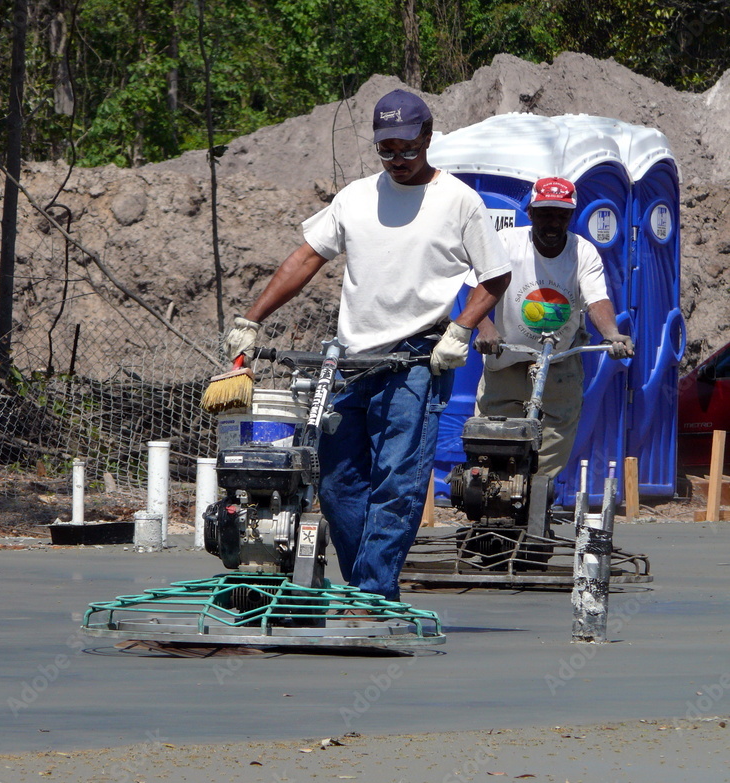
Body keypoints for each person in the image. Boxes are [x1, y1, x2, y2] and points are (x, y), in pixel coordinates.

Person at [224, 89, 511, 599]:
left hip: (417, 360)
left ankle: (373, 595)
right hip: (352, 362)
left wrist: (460, 329)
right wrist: (251, 318)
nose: (398, 160)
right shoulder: (355, 198)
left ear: (427, 138)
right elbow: (305, 259)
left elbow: (495, 276)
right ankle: (369, 590)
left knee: (397, 482)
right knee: (337, 486)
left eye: (407, 148)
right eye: (387, 150)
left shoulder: (459, 200)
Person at [473, 176, 635, 478]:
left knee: (550, 451)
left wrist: (612, 334)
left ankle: (535, 502)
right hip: (505, 359)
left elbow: (596, 300)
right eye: (545, 213)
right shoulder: (506, 243)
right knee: (491, 442)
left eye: (561, 215)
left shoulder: (583, 252)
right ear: (531, 212)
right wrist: (484, 327)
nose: (553, 222)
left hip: (558, 363)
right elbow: (479, 291)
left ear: (571, 216)